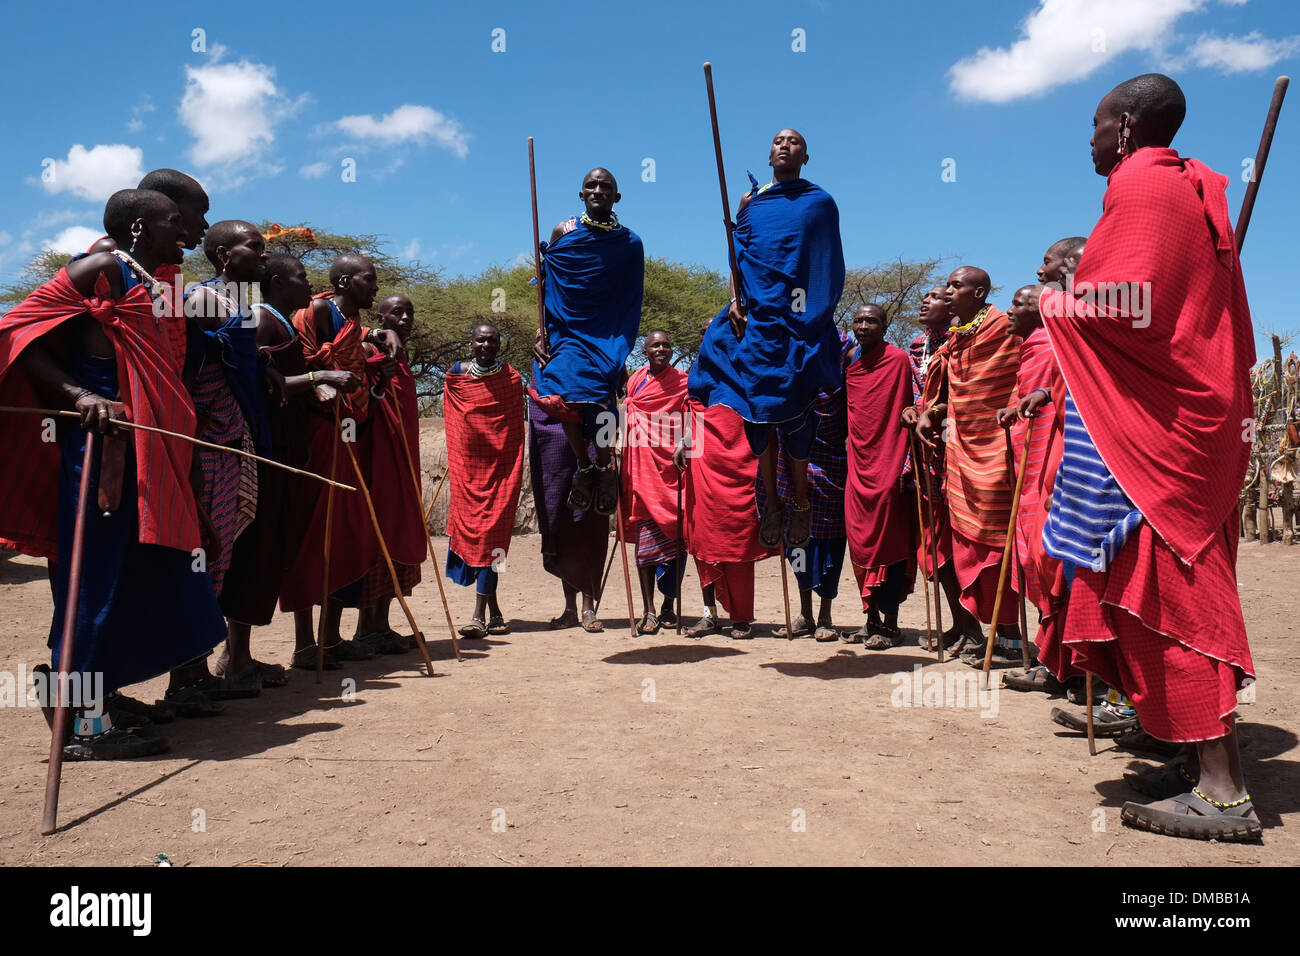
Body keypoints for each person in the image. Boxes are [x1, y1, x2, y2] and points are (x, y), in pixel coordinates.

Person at [1028, 73, 1259, 840]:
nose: (1089, 140)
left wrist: (1052, 305)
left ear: (1124, 127)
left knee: (1175, 599)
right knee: (1145, 587)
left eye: (1096, 125)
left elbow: (1129, 307)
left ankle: (1225, 793)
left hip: (1164, 437)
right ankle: (1191, 755)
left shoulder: (1143, 189)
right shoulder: (1186, 190)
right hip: (1180, 422)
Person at [0, 188, 226, 757]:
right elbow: (15, 335)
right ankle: (83, 724)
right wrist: (79, 395)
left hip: (149, 449)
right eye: (173, 221)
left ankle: (98, 697)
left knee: (144, 570)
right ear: (136, 229)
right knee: (95, 577)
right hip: (102, 452)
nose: (184, 231)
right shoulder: (98, 269)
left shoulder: (154, 284)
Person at [689, 129, 845, 549]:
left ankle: (800, 500)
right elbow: (738, 256)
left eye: (794, 142)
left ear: (805, 157)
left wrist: (815, 314)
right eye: (778, 140)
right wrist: (734, 299)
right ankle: (772, 502)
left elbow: (827, 262)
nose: (784, 145)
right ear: (769, 152)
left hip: (798, 317)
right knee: (756, 413)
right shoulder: (750, 203)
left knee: (794, 414)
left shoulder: (819, 202)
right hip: (755, 316)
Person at [218, 254, 358, 683]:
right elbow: (267, 386)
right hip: (266, 449)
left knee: (268, 553)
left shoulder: (278, 319)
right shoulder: (264, 321)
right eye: (300, 277)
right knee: (253, 552)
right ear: (278, 282)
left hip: (285, 449)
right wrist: (322, 380)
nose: (308, 283)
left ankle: (240, 656)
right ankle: (234, 658)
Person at [161, 220, 273, 709]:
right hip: (210, 442)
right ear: (225, 255)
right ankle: (185, 676)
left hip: (239, 436)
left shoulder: (241, 302)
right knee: (204, 550)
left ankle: (202, 669)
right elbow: (184, 372)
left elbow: (242, 362)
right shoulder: (202, 300)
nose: (263, 257)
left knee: (225, 550)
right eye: (256, 248)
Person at [278, 254, 397, 667]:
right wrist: (320, 385)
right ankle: (304, 644)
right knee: (313, 533)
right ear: (345, 280)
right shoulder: (314, 312)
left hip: (351, 430)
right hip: (318, 432)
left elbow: (356, 347)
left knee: (344, 533)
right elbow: (298, 362)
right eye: (369, 279)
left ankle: (330, 637)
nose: (375, 287)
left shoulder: (353, 325)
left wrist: (378, 336)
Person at [916, 267, 1021, 665]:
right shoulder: (957, 339)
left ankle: (1011, 640)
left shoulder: (1002, 328)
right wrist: (931, 409)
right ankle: (990, 635)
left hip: (996, 453)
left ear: (978, 292)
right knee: (965, 547)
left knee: (998, 547)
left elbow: (1019, 382)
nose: (947, 291)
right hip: (959, 455)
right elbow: (952, 393)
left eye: (956, 286)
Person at [532, 167, 644, 517]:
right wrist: (542, 331)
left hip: (606, 333)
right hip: (566, 329)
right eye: (590, 186)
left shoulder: (629, 243)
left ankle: (607, 467)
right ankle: (585, 466)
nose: (597, 190)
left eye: (605, 186)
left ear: (617, 196)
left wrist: (621, 343)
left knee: (601, 399)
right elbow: (549, 284)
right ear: (581, 194)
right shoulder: (563, 232)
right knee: (564, 391)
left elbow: (630, 295)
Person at [755, 333, 851, 642]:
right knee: (797, 538)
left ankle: (825, 615)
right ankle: (805, 613)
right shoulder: (791, 342)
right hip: (794, 450)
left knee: (832, 539)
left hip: (832, 454)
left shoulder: (844, 347)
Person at [349, 293, 427, 654]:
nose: (406, 318)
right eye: (397, 312)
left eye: (409, 312)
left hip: (404, 462)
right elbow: (363, 400)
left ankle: (381, 625)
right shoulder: (370, 350)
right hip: (379, 460)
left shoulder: (402, 356)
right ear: (380, 317)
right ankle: (366, 628)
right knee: (378, 537)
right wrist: (374, 338)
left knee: (398, 536)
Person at [444, 322, 525, 638]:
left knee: (494, 542)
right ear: (471, 343)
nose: (486, 346)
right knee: (479, 538)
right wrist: (459, 453)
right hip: (469, 471)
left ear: (499, 344)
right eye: (480, 341)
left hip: (502, 472)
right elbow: (455, 419)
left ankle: (478, 615)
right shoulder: (457, 375)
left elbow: (513, 429)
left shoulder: (511, 378)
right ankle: (495, 611)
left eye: (492, 341)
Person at [844, 305, 916, 648]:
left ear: (885, 326)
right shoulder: (851, 365)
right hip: (857, 465)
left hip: (891, 462)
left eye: (871, 320)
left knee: (891, 540)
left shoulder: (899, 360)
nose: (863, 326)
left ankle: (890, 623)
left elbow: (916, 399)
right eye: (858, 321)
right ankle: (869, 618)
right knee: (860, 540)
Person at [901, 285, 968, 648]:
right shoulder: (916, 346)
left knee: (958, 544)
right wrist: (912, 410)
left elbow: (963, 395)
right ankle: (960, 625)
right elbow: (918, 392)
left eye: (936, 297)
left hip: (956, 450)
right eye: (924, 297)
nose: (926, 301)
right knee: (935, 544)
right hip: (924, 455)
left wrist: (934, 411)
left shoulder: (962, 342)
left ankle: (973, 629)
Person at [620, 330, 688, 634]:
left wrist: (686, 443)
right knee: (645, 547)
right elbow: (625, 417)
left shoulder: (685, 382)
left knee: (678, 541)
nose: (662, 348)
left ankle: (668, 605)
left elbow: (694, 419)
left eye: (666, 344)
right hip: (643, 473)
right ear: (644, 352)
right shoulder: (635, 383)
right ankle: (648, 610)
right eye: (655, 345)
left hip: (675, 472)